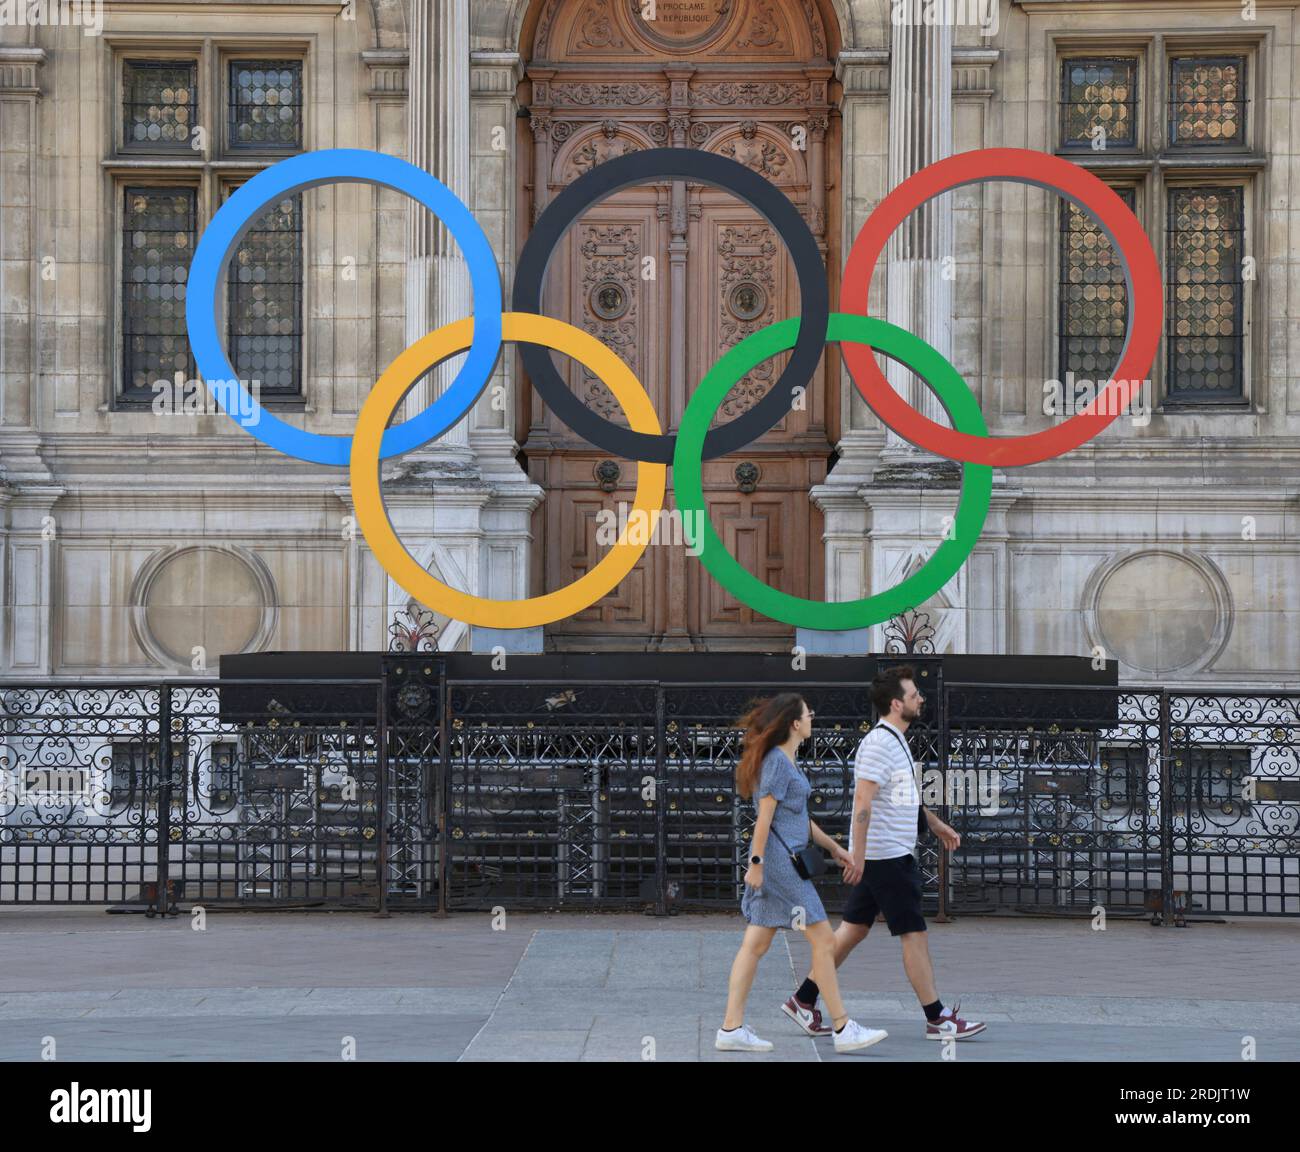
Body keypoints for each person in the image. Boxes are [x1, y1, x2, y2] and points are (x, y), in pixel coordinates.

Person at [782, 666, 986, 1042]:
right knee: (914, 934)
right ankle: (937, 1017)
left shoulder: (895, 739)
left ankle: (803, 1000)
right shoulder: (879, 743)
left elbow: (903, 796)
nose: (920, 699)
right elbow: (863, 801)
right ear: (896, 704)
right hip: (886, 857)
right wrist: (858, 856)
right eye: (914, 695)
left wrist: (935, 825)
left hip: (885, 854)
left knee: (852, 931)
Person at [718, 692, 889, 1054]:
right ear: (795, 723)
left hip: (782, 860)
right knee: (825, 941)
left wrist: (836, 848)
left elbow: (799, 820)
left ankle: (730, 1028)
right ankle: (843, 1027)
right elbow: (763, 820)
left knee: (756, 944)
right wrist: (757, 865)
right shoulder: (778, 763)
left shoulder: (785, 761)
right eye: (808, 714)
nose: (812, 718)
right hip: (782, 865)